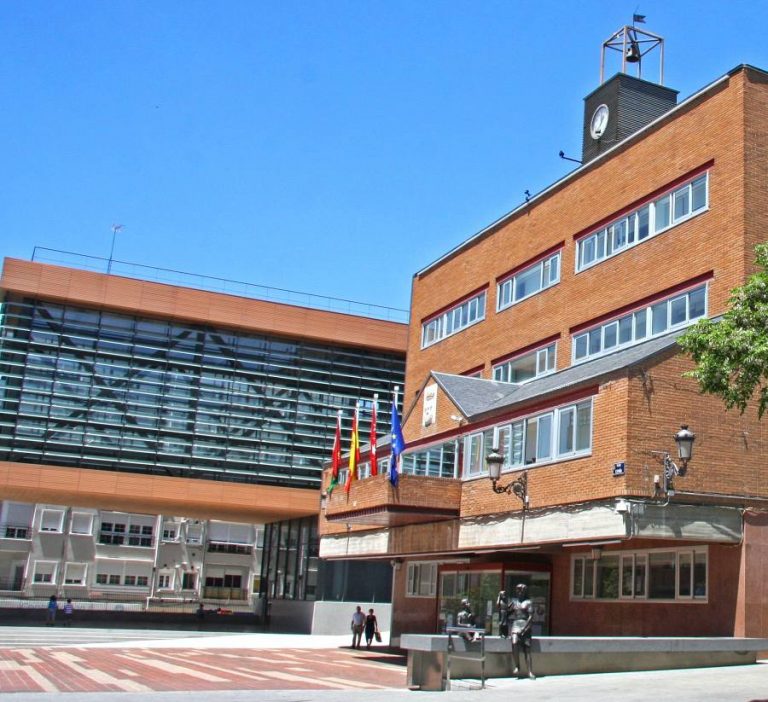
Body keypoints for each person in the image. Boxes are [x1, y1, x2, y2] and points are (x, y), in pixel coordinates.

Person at [509, 583, 535, 679]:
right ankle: (517, 666)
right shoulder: (514, 602)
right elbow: (506, 612)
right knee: (514, 642)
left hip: (525, 624)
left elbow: (531, 616)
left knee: (527, 649)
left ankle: (530, 671)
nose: (519, 592)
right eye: (518, 590)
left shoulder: (528, 602)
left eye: (521, 590)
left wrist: (524, 629)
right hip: (516, 624)